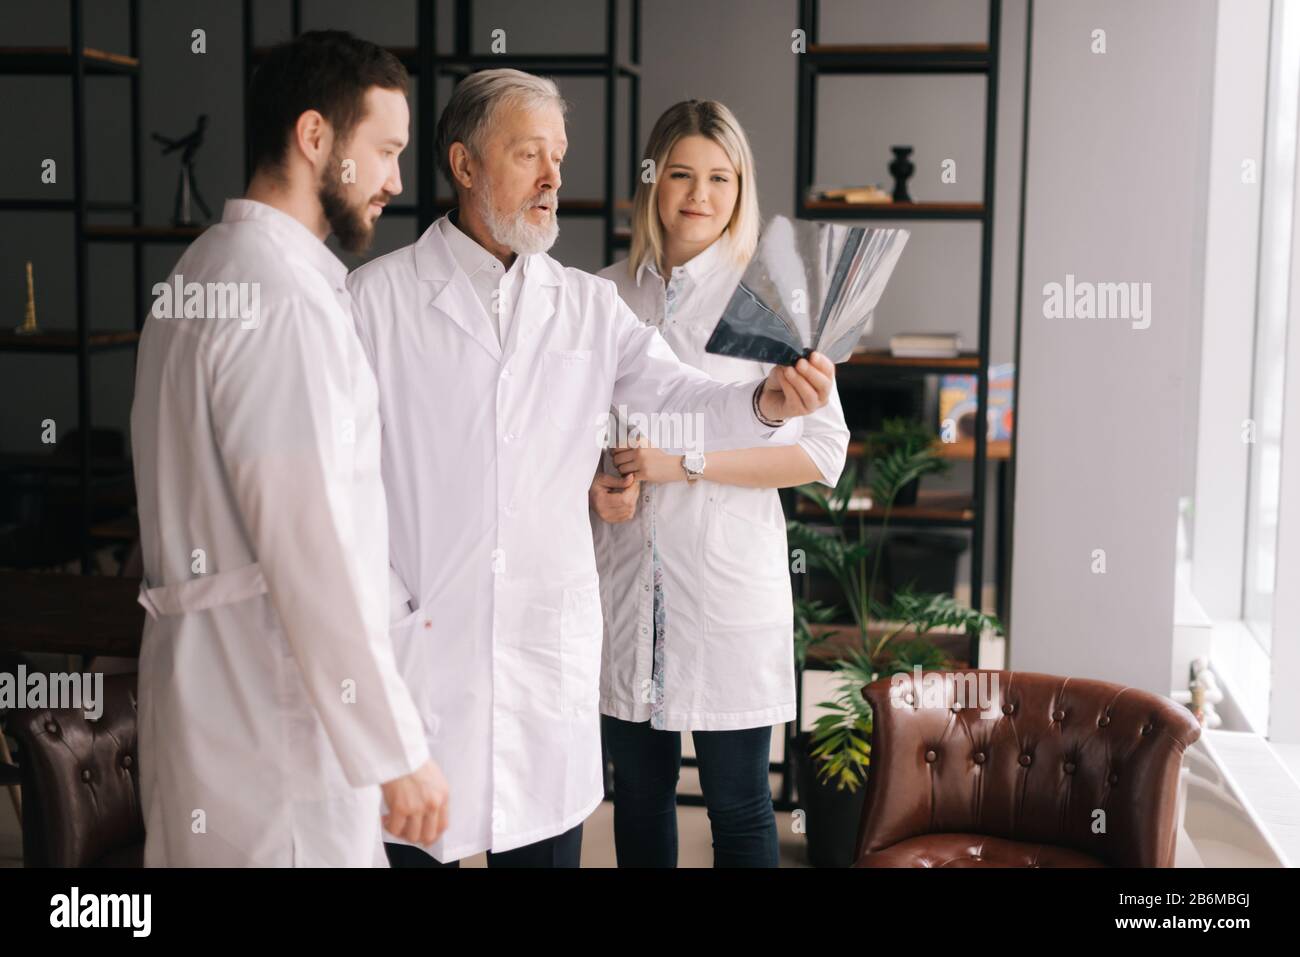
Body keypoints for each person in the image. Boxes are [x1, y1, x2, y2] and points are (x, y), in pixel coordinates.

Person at [347, 68, 836, 867]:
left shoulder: (584, 304)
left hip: (546, 659)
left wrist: (770, 404)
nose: (552, 180)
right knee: (412, 844)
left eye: (560, 158)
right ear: (465, 165)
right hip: (423, 655)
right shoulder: (372, 302)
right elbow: (341, 488)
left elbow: (684, 394)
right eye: (529, 154)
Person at [130, 31, 448, 867]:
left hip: (205, 704)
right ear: (315, 138)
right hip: (269, 715)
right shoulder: (280, 301)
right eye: (383, 150)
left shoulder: (202, 269)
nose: (395, 181)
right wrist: (395, 749)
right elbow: (311, 545)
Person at [590, 99, 850, 867]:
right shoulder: (603, 296)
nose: (698, 194)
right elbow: (572, 432)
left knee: (738, 806)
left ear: (741, 188)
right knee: (637, 798)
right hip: (628, 585)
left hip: (725, 589)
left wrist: (685, 463)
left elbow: (823, 452)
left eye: (718, 177)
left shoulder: (768, 299)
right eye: (679, 173)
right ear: (651, 182)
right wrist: (605, 471)